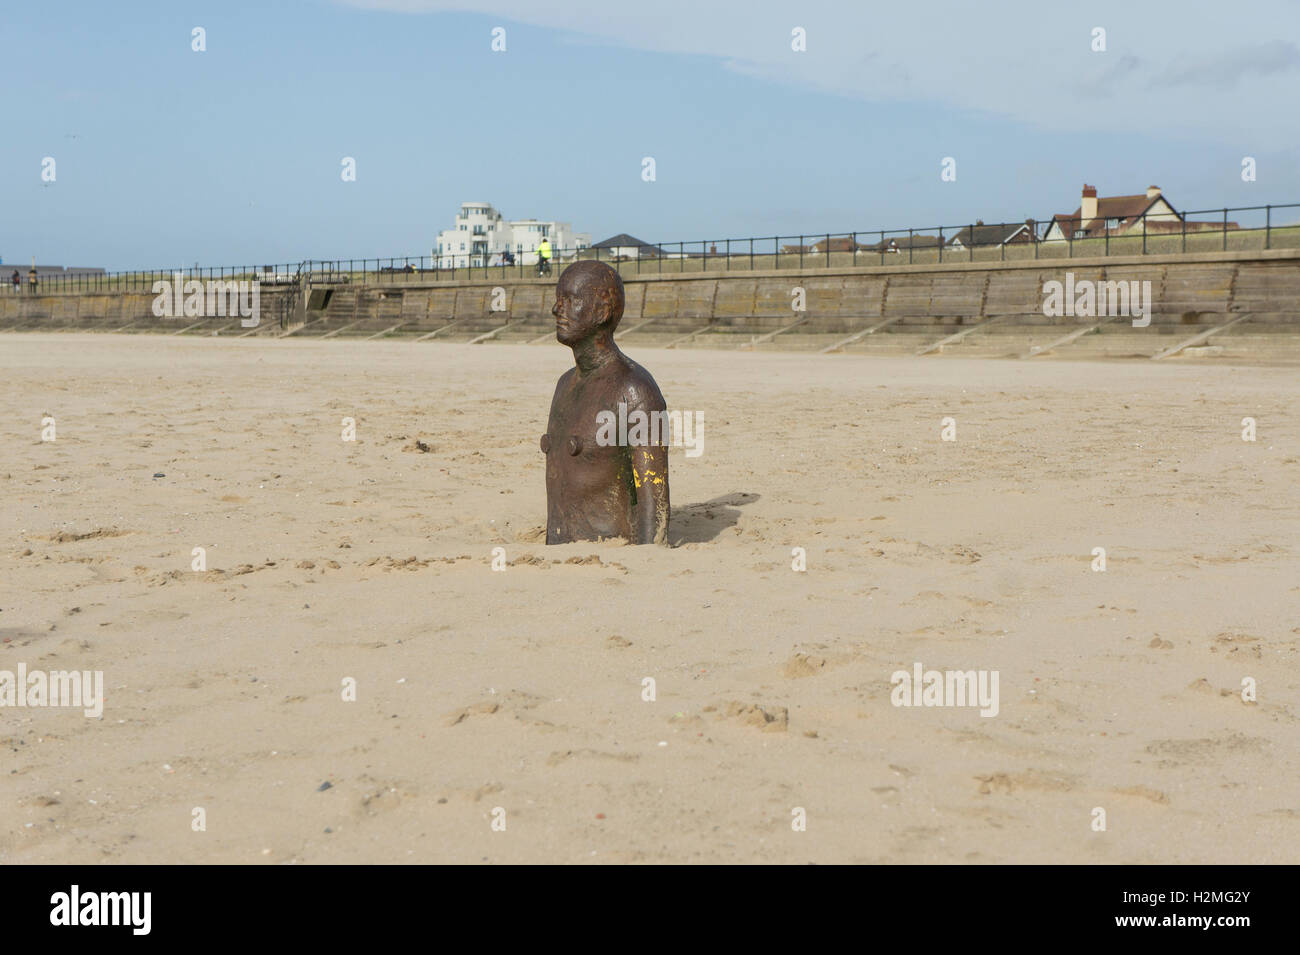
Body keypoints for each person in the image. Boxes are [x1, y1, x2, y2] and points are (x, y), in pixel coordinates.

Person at [540, 261, 669, 545]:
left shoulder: (635, 391)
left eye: (570, 300)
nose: (556, 309)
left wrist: (648, 558)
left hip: (606, 554)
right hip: (558, 560)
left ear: (602, 311)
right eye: (558, 300)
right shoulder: (565, 384)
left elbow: (654, 504)